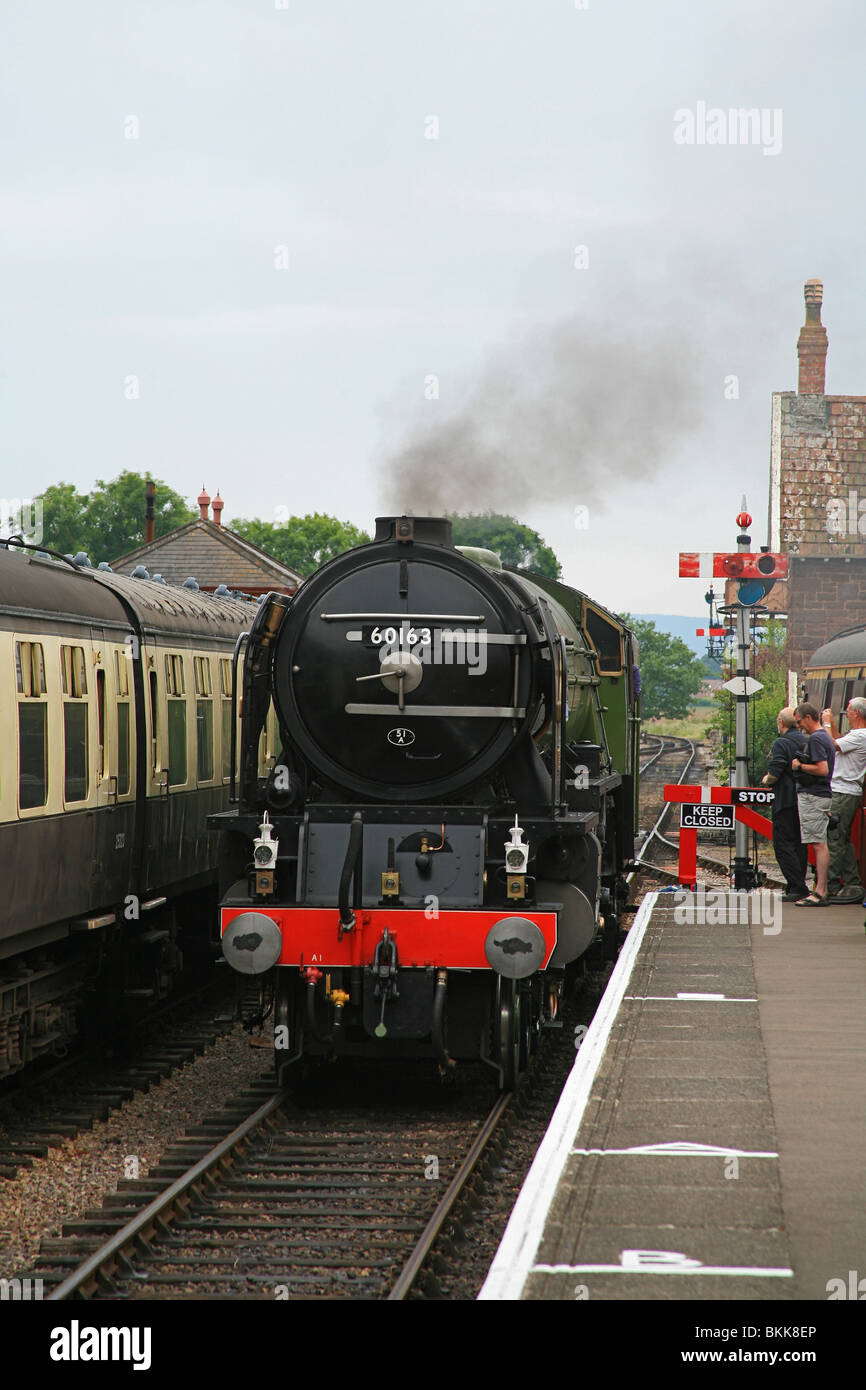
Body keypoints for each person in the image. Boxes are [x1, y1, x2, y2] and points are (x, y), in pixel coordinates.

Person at [820, 697, 866, 902]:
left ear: (856, 713)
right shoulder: (856, 735)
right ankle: (852, 882)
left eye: (848, 710)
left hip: (843, 792)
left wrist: (827, 723)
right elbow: (838, 742)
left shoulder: (861, 735)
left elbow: (832, 746)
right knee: (843, 838)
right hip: (844, 791)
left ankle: (829, 885)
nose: (846, 713)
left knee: (835, 838)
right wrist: (833, 728)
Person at [790, 704, 836, 905]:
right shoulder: (824, 736)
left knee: (818, 843)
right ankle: (821, 889)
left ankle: (820, 891)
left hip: (814, 795)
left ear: (808, 717)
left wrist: (799, 766)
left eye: (799, 721)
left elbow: (822, 769)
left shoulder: (817, 738)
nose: (799, 726)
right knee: (818, 841)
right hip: (819, 795)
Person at [761, 707, 808, 901]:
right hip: (804, 798)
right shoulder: (807, 740)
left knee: (783, 844)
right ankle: (798, 885)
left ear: (781, 722)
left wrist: (766, 780)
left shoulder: (781, 743)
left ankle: (796, 886)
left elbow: (776, 770)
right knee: (800, 843)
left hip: (785, 799)